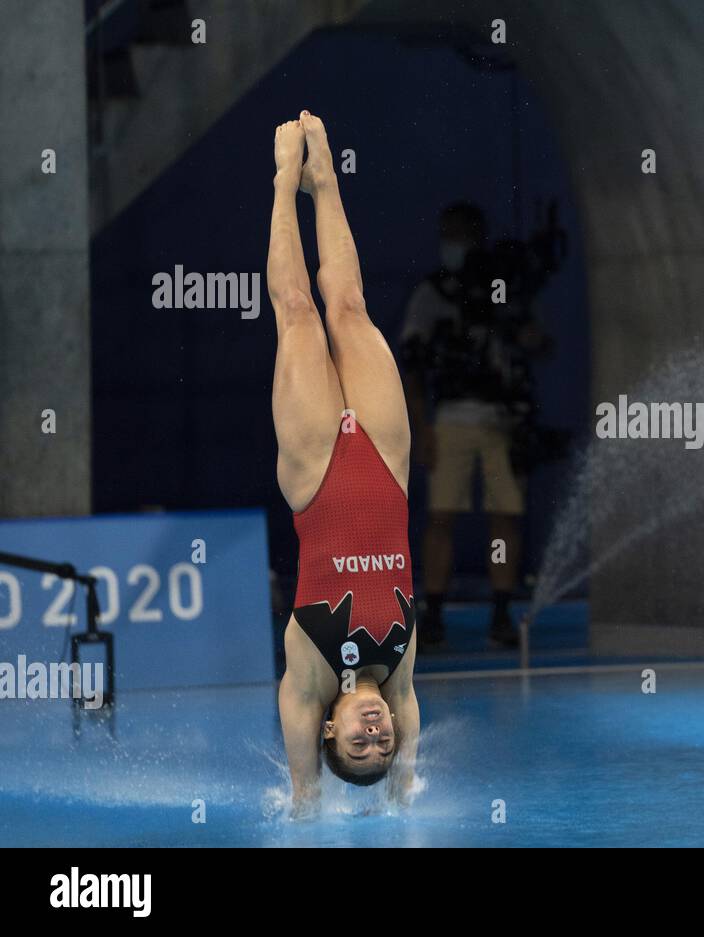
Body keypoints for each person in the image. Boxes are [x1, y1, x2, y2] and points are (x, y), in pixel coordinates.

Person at [267, 112, 419, 813]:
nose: (375, 735)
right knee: (351, 310)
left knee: (299, 312)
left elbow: (303, 794)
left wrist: (307, 798)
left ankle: (282, 181)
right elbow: (408, 742)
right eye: (381, 745)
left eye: (358, 746)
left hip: (318, 476)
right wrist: (400, 787)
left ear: (327, 729)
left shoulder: (311, 673)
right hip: (386, 467)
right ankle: (325, 181)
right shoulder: (400, 671)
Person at [401, 202, 544, 651]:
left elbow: (534, 340)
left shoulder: (502, 287)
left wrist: (526, 336)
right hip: (451, 419)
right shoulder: (433, 294)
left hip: (502, 419)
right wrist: (421, 428)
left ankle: (502, 612)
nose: (454, 244)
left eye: (461, 234)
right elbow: (412, 365)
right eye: (448, 234)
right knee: (441, 516)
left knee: (506, 514)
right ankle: (434, 613)